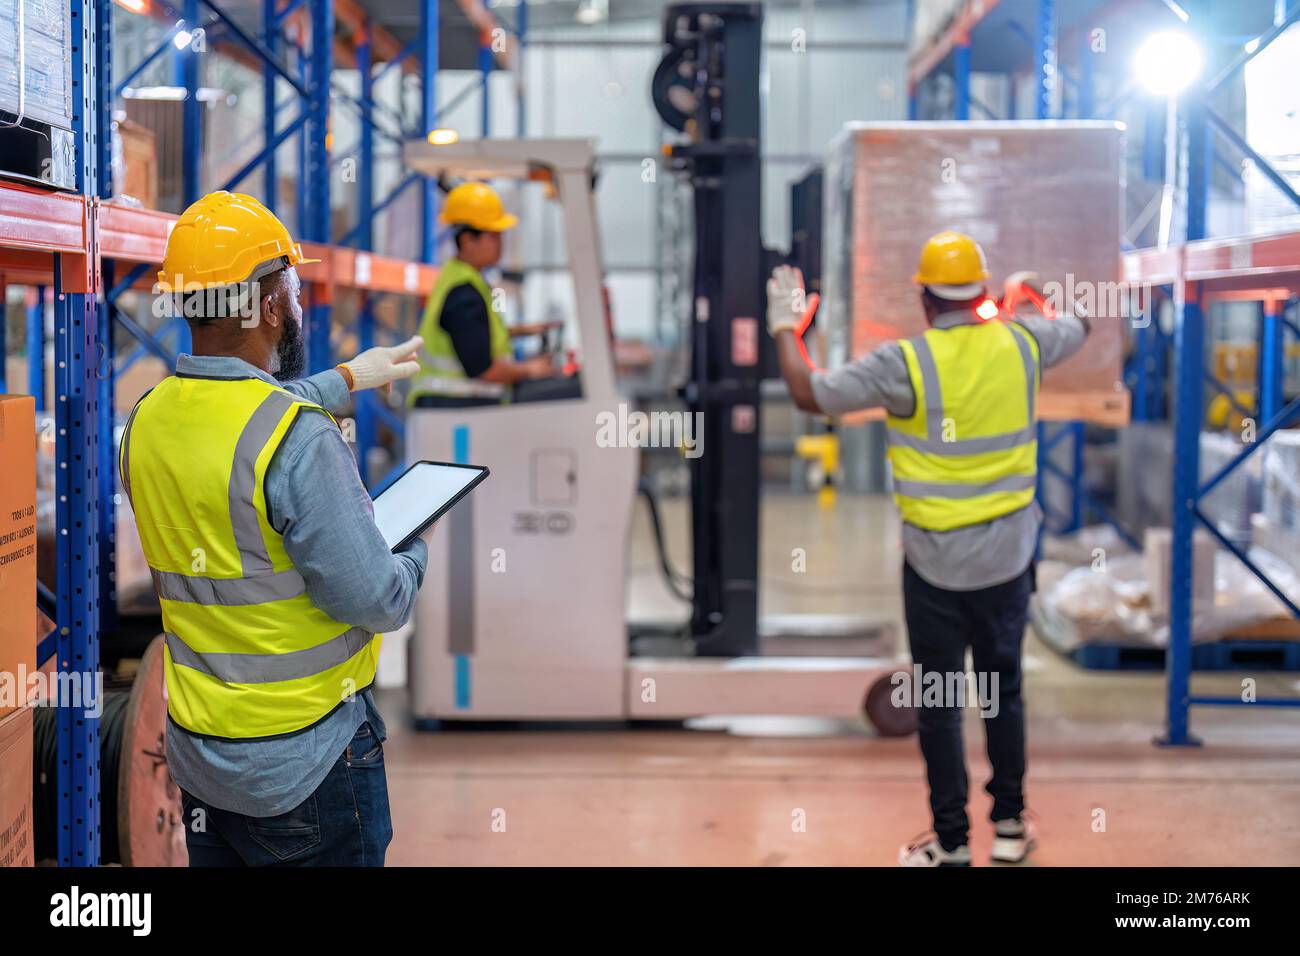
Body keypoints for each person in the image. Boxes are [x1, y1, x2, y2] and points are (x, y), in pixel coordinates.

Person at [120, 190, 428, 866]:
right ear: (265, 306)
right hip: (308, 766)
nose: (294, 301)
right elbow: (379, 600)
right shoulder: (300, 443)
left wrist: (349, 377)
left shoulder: (146, 421)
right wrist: (411, 547)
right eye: (288, 284)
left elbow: (235, 419)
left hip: (201, 762)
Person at [766, 230, 1092, 867]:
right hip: (1006, 565)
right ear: (981, 293)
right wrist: (1037, 292)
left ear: (923, 298)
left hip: (935, 570)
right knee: (1004, 691)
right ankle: (1008, 829)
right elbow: (1084, 326)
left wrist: (786, 327)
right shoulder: (1024, 343)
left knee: (940, 704)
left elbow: (812, 395)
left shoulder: (904, 364)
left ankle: (950, 843)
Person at [408, 181, 562, 406]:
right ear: (467, 241)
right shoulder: (463, 292)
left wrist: (524, 331)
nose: (500, 244)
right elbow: (482, 368)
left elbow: (475, 332)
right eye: (493, 236)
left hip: (454, 405)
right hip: (455, 405)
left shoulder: (463, 278)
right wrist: (532, 369)